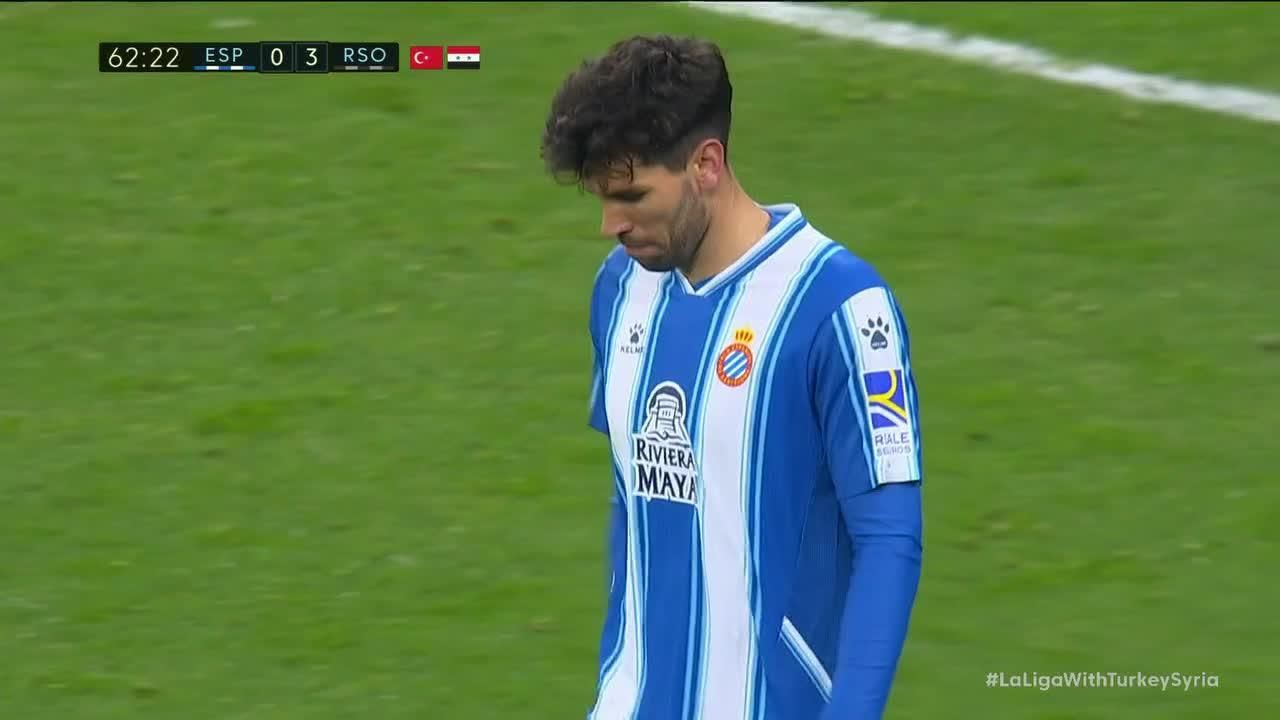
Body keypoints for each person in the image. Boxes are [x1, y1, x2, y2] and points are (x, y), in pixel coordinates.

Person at [539, 34, 924, 720]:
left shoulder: (839, 307)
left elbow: (889, 538)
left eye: (631, 195)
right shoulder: (620, 291)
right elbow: (633, 493)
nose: (609, 225)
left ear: (706, 164)